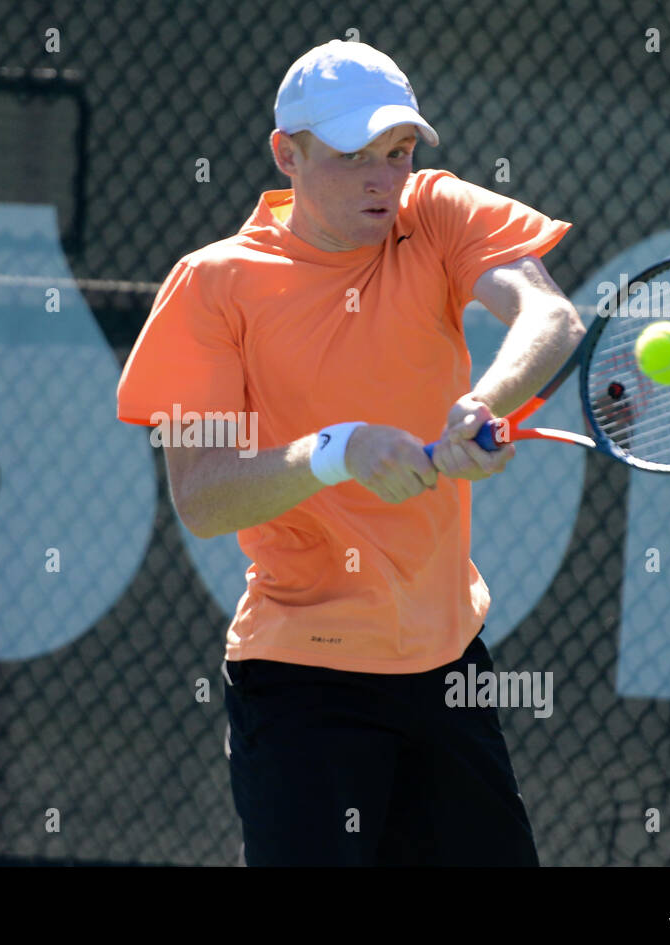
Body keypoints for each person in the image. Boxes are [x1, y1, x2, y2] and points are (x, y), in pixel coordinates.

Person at [116, 38, 584, 865]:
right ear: (286, 155)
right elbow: (203, 499)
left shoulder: (435, 213)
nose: (384, 178)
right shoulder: (213, 285)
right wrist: (332, 454)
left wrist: (483, 404)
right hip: (302, 686)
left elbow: (551, 320)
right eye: (354, 156)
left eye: (398, 153)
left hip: (447, 667)